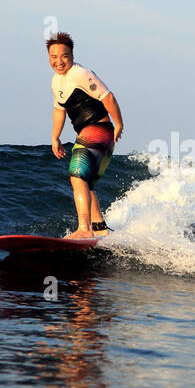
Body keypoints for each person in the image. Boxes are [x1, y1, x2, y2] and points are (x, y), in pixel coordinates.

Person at [48, 33, 124, 238]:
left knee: (77, 176)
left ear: (72, 55)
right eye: (53, 56)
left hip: (98, 129)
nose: (59, 61)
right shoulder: (56, 82)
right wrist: (55, 137)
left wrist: (119, 123)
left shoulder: (80, 73)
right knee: (86, 182)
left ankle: (84, 229)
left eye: (64, 56)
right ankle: (100, 229)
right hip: (96, 133)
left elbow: (107, 96)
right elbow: (59, 110)